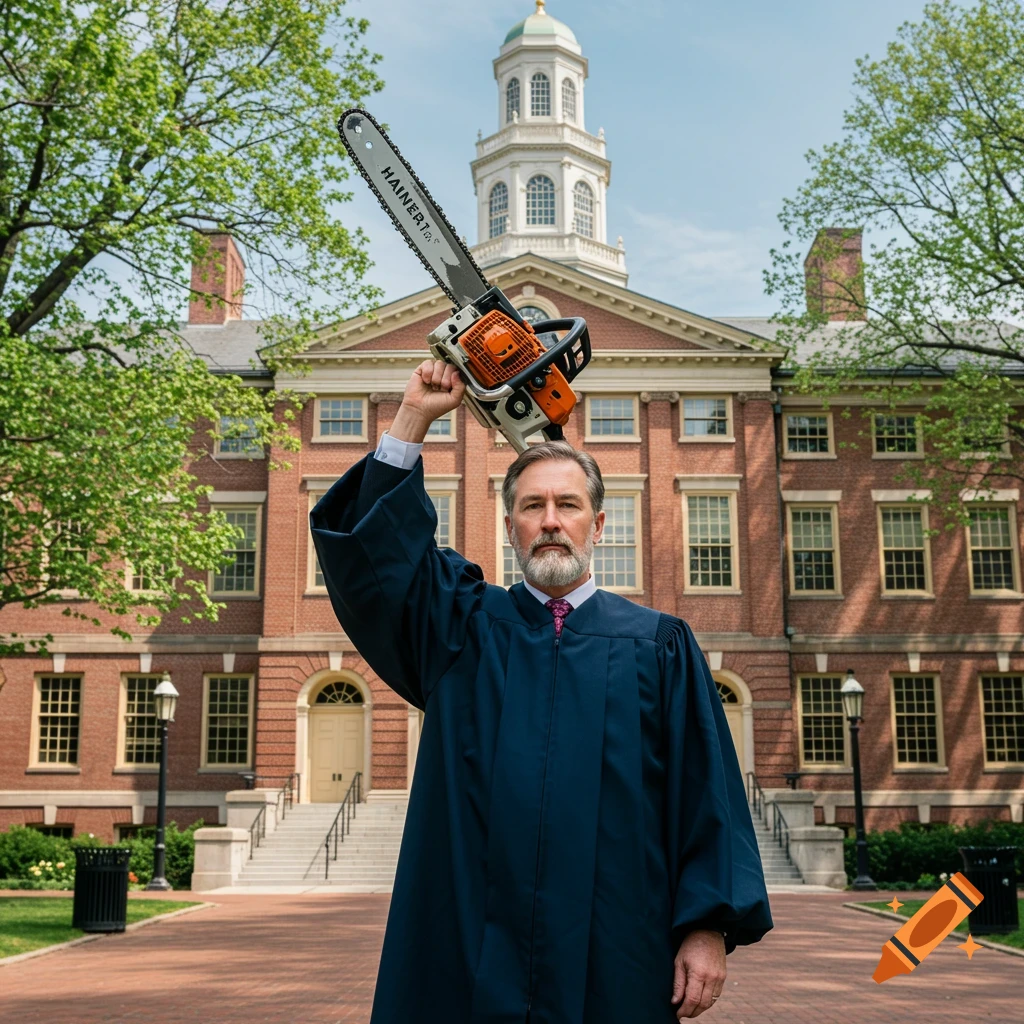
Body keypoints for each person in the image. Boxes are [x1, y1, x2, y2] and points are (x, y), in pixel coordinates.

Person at [310, 358, 773, 1024]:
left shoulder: (659, 645)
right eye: (533, 506)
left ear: (599, 525)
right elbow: (379, 562)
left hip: (616, 946)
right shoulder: (460, 627)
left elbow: (706, 795)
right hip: (472, 948)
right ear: (510, 528)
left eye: (567, 505)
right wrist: (412, 417)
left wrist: (707, 927)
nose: (551, 520)